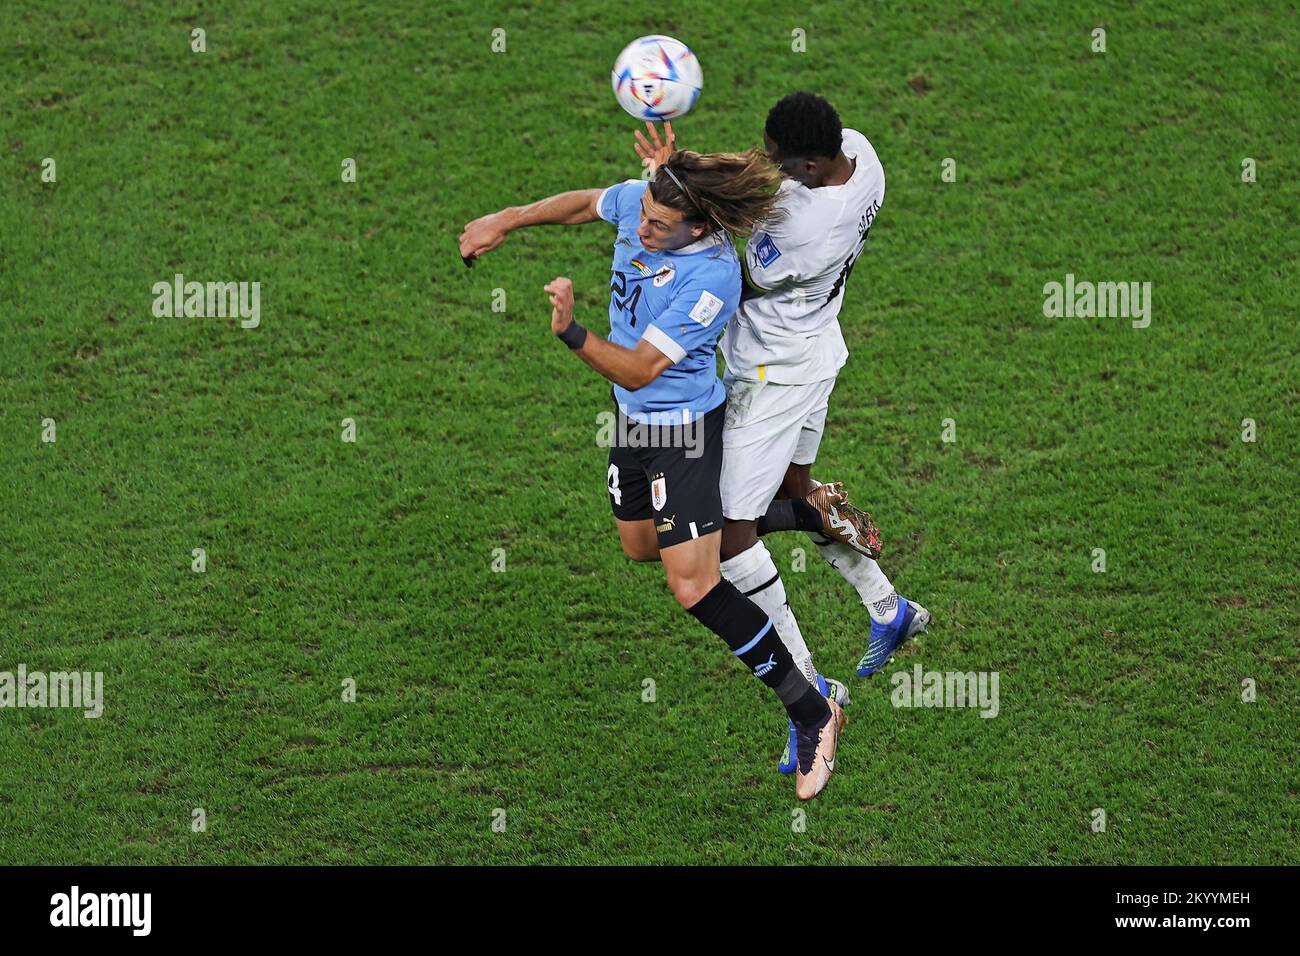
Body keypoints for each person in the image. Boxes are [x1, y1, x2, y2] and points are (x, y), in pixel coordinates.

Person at [458, 148, 845, 799]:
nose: (641, 230)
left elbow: (639, 368)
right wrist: (507, 217)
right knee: (640, 545)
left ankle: (811, 710)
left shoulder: (712, 278)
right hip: (632, 422)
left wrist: (571, 332)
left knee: (693, 586)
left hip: (683, 436)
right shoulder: (649, 205)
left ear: (697, 228)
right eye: (642, 214)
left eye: (658, 227)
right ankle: (803, 513)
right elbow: (588, 204)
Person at [635, 94, 932, 776]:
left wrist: (675, 196)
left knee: (731, 534)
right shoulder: (862, 156)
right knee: (800, 490)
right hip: (818, 352)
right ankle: (887, 607)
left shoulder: (801, 230)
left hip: (772, 378)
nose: (766, 159)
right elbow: (760, 195)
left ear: (806, 161)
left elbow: (729, 273)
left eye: (775, 155)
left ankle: (812, 690)